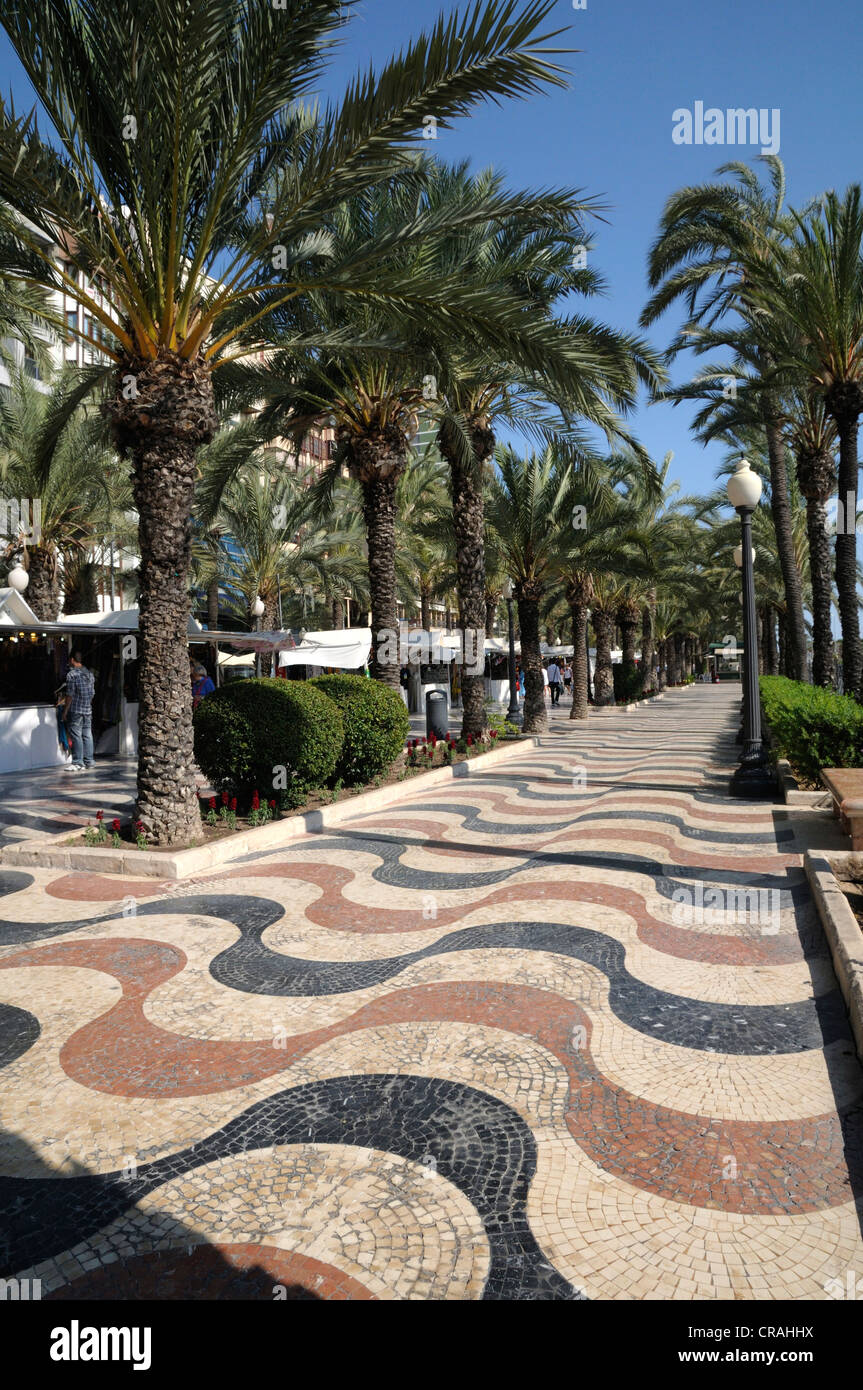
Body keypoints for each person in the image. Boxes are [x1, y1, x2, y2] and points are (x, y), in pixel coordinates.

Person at [64, 650, 95, 773]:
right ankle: (89, 761)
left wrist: (65, 711)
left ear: (72, 660)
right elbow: (92, 693)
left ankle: (77, 762)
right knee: (87, 735)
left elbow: (70, 694)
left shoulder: (72, 675)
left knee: (76, 735)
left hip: (76, 709)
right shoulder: (90, 674)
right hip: (87, 709)